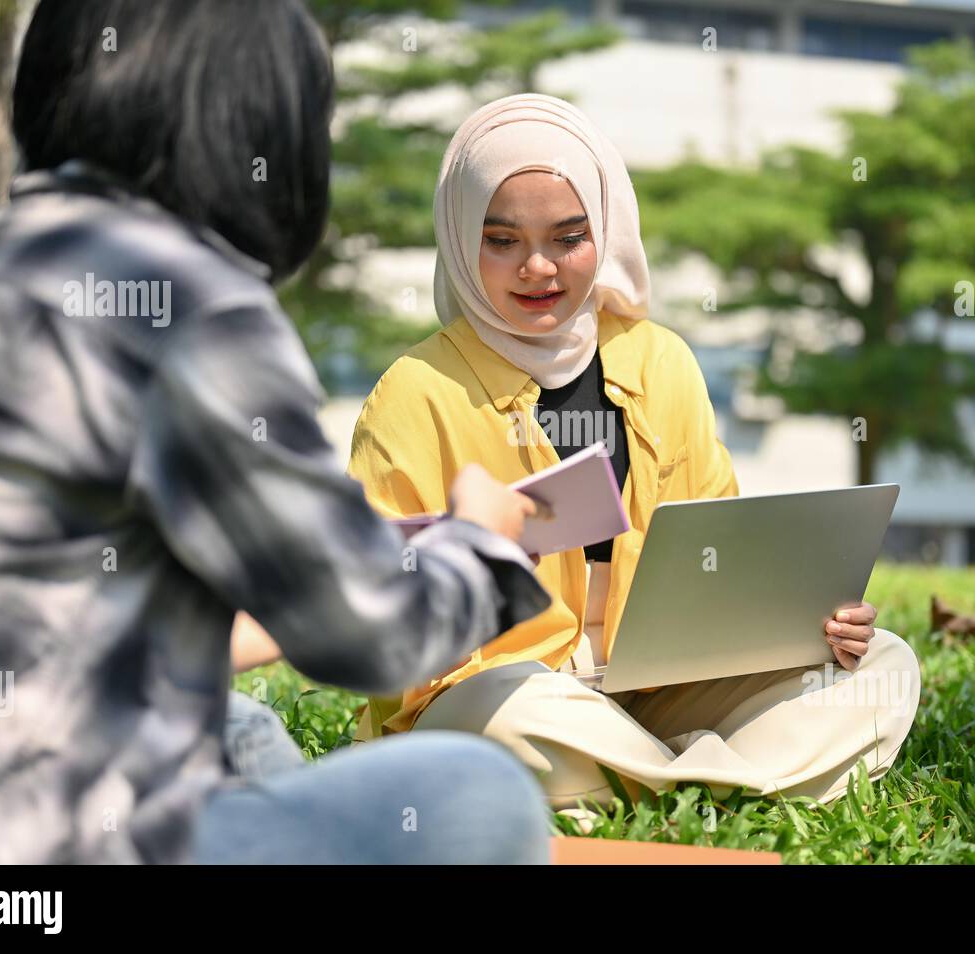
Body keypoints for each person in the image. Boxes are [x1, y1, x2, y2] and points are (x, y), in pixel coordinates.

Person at [0, 0, 556, 865]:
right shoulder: (189, 297)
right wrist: (482, 542)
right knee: (479, 793)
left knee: (242, 730)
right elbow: (373, 635)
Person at [335, 94, 922, 811]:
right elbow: (370, 616)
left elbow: (725, 554)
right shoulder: (414, 393)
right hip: (512, 691)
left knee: (883, 662)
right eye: (503, 240)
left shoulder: (660, 362)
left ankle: (644, 785)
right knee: (505, 716)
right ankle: (720, 786)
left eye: (568, 236)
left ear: (605, 234)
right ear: (460, 239)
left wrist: (811, 624)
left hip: (663, 684)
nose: (538, 268)